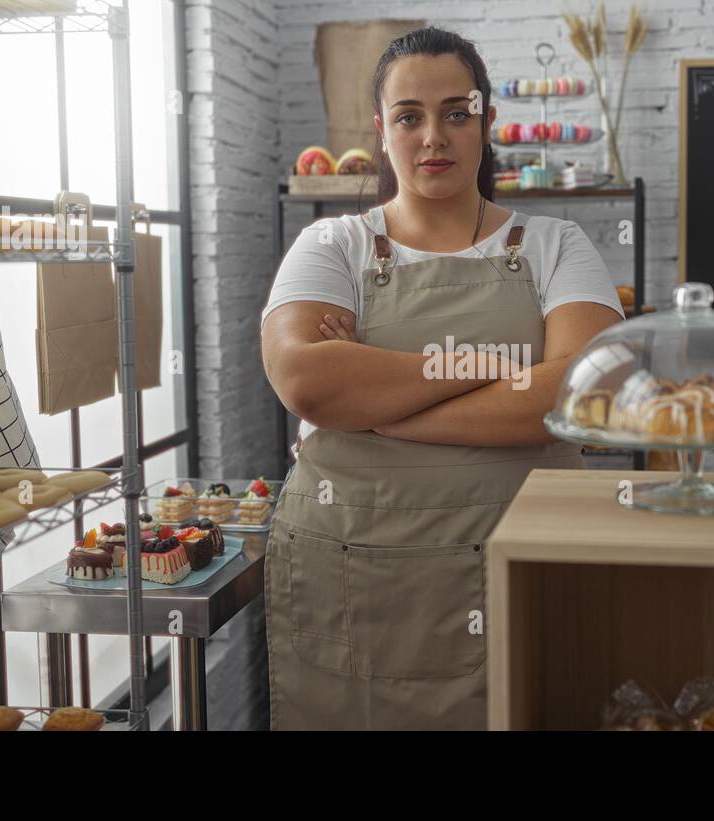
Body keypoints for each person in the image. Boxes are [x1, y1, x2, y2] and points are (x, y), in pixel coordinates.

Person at [259, 26, 624, 730]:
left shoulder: (556, 244)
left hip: (525, 566)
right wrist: (497, 367)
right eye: (410, 116)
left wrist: (383, 404)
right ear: (382, 130)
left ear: (486, 121)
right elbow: (307, 380)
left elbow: (588, 390)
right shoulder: (332, 244)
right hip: (360, 578)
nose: (435, 136)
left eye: (458, 112)